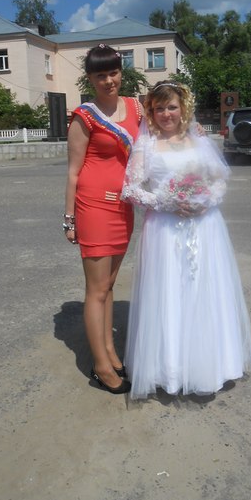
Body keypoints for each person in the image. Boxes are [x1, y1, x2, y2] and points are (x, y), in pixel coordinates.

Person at [121, 81, 251, 399]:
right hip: (165, 230)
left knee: (204, 290)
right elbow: (130, 190)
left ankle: (213, 365)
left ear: (183, 108)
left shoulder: (198, 138)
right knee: (169, 292)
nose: (166, 113)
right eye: (159, 108)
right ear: (151, 111)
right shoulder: (146, 145)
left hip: (205, 227)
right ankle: (170, 370)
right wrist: (165, 201)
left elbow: (219, 180)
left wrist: (207, 200)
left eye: (172, 107)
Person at [64, 44, 142, 394]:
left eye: (113, 72)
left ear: (121, 72)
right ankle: (100, 367)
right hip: (94, 207)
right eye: (100, 75)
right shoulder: (85, 115)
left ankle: (109, 351)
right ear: (90, 79)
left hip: (124, 207)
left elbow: (164, 131)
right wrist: (70, 218)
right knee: (96, 290)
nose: (109, 80)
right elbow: (73, 171)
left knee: (110, 285)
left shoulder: (136, 107)